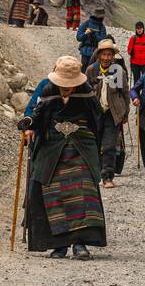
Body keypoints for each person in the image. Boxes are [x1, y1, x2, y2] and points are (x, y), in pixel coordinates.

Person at [17, 56, 106, 259]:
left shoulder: (85, 91)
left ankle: (80, 244)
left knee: (83, 191)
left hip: (81, 147)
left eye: (69, 85)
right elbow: (35, 111)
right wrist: (29, 124)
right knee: (52, 193)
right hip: (52, 148)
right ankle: (59, 245)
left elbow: (97, 119)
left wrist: (96, 143)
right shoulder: (46, 88)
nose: (66, 89)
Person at [85, 38, 130, 188]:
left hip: (113, 113)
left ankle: (107, 177)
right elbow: (85, 92)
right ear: (98, 55)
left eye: (109, 55)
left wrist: (125, 113)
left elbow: (124, 92)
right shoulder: (92, 70)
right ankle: (95, 174)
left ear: (113, 56)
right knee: (95, 144)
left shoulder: (118, 71)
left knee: (109, 145)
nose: (106, 58)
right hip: (96, 113)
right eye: (103, 55)